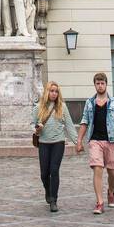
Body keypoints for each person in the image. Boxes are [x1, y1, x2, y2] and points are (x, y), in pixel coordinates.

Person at [77, 72, 114, 215]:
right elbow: (84, 122)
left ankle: (111, 191)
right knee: (97, 168)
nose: (100, 85)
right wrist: (79, 141)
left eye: (102, 83)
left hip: (110, 140)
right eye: (97, 83)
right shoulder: (89, 103)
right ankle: (99, 202)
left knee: (112, 172)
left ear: (106, 84)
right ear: (95, 85)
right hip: (95, 140)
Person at [33, 81, 79, 212]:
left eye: (56, 91)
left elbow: (69, 125)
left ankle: (54, 200)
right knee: (44, 174)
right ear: (47, 92)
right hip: (44, 143)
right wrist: (37, 128)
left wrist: (77, 142)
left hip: (58, 143)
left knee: (54, 170)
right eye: (52, 91)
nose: (54, 93)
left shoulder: (62, 107)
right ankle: (48, 190)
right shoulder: (38, 107)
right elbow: (32, 124)